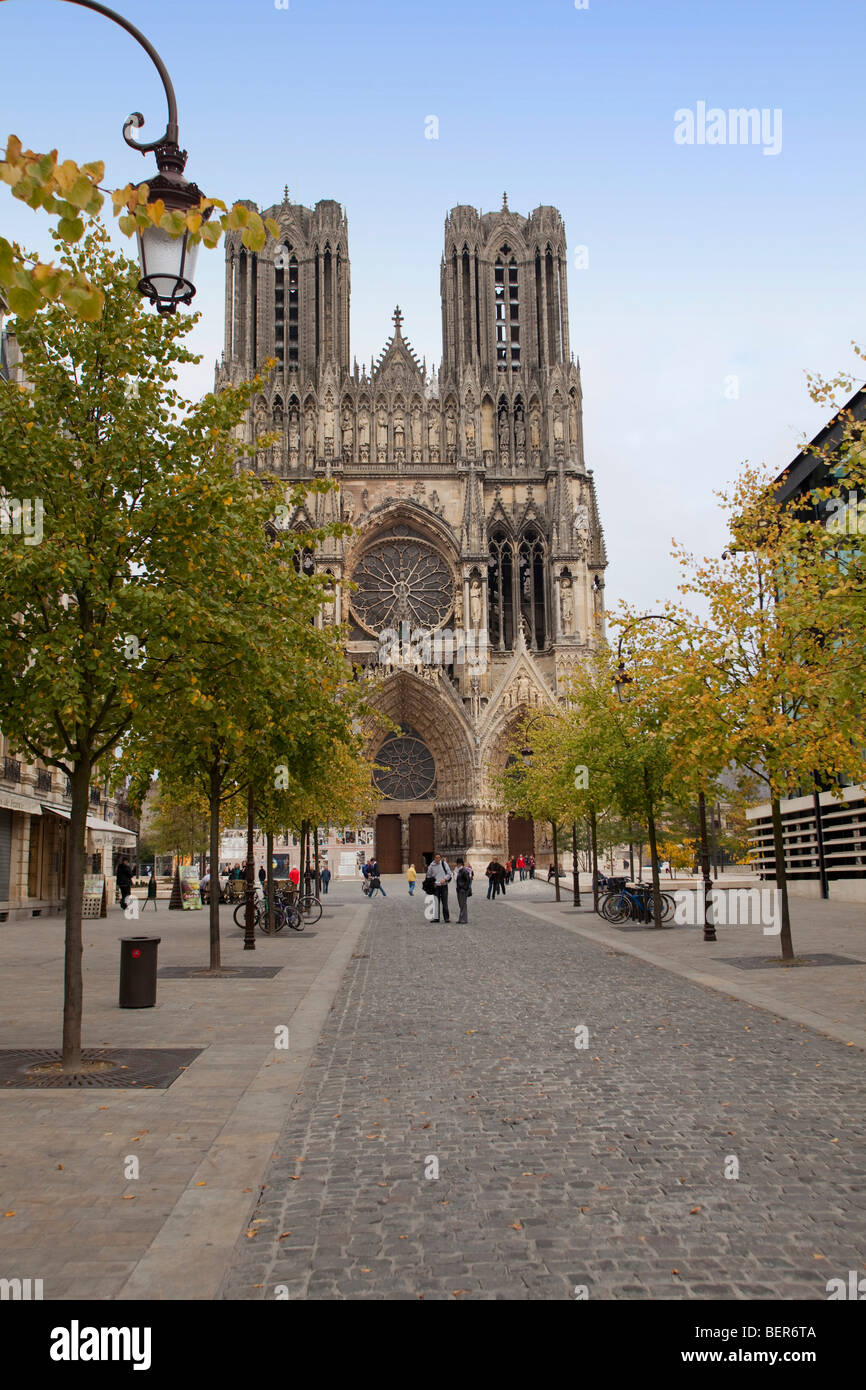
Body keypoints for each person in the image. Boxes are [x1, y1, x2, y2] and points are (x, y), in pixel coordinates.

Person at [427, 852, 452, 921]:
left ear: (440, 858)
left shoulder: (444, 864)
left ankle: (446, 918)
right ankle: (436, 918)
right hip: (436, 886)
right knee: (436, 903)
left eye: (439, 858)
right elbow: (428, 876)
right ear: (434, 858)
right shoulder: (431, 866)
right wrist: (432, 883)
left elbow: (449, 873)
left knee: (445, 903)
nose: (438, 859)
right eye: (436, 858)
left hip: (444, 885)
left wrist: (445, 879)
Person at [455, 857, 472, 924]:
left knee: (463, 904)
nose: (457, 865)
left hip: (462, 890)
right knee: (461, 905)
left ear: (460, 864)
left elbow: (468, 881)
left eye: (458, 863)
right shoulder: (459, 870)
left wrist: (464, 888)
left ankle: (464, 919)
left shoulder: (464, 871)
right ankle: (461, 918)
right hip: (459, 889)